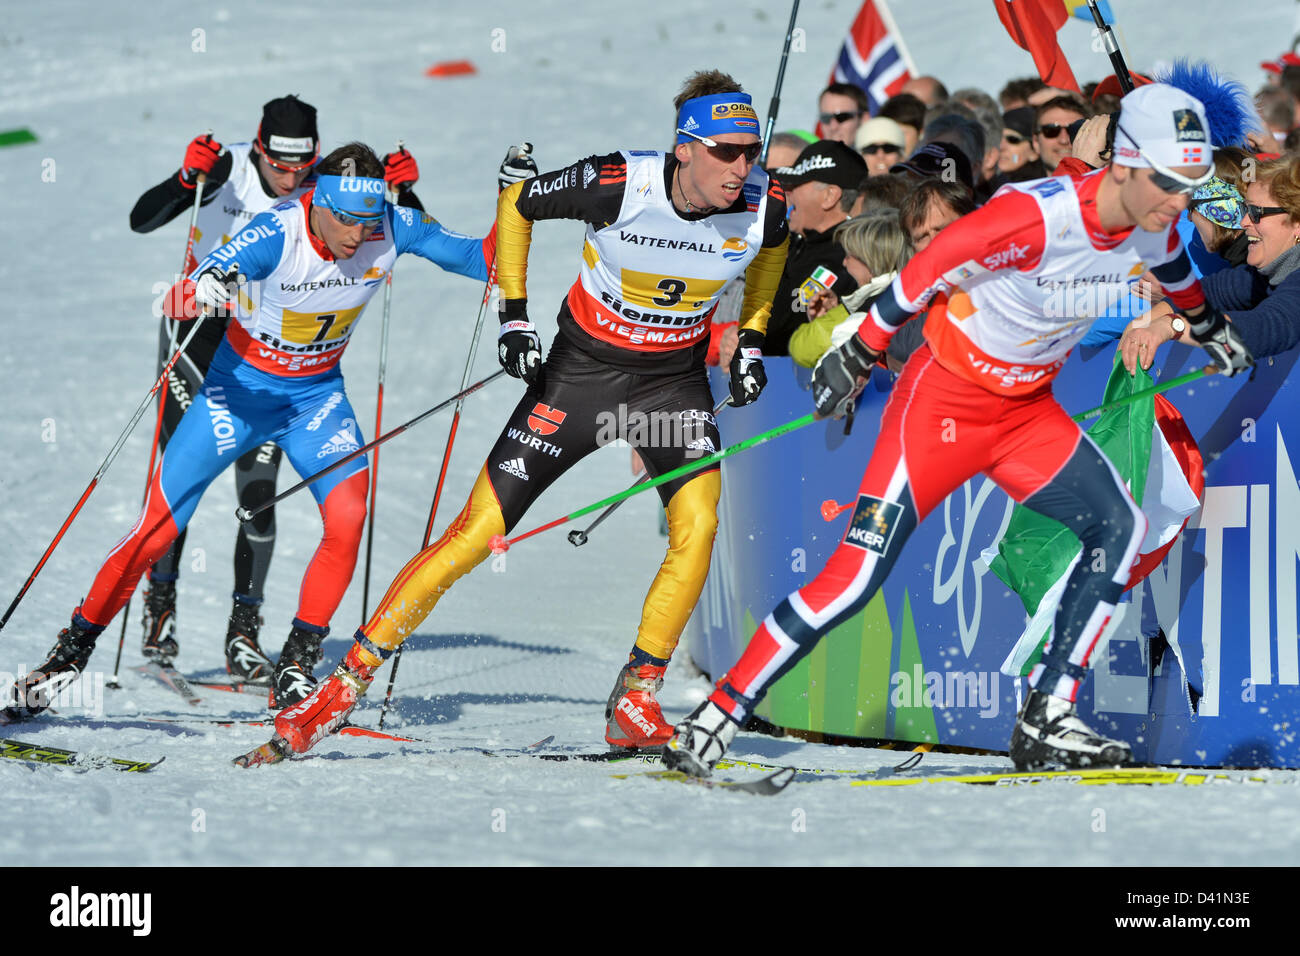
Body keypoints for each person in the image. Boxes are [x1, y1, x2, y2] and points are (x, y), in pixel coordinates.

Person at [664, 83, 1256, 777]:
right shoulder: (1035, 214)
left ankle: (1046, 717)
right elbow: (925, 269)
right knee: (855, 579)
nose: (1178, 202)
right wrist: (856, 351)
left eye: (1190, 186)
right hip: (941, 407)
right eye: (1167, 182)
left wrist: (1211, 327)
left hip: (1024, 413)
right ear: (1122, 165)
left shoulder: (1152, 219)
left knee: (1119, 527)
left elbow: (1177, 272)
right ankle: (714, 717)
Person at [263, 70, 790, 761]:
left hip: (671, 386)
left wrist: (751, 338)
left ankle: (636, 696)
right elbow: (519, 205)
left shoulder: (763, 203)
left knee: (700, 526)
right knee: (477, 533)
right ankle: (343, 687)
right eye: (725, 151)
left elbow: (770, 256)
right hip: (580, 378)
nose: (741, 167)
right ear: (684, 147)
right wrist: (514, 315)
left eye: (750, 151)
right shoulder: (616, 182)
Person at [3, 142, 497, 720]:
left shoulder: (393, 224)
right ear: (317, 202)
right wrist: (204, 288)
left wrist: (514, 204)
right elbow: (214, 271)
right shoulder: (277, 231)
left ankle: (296, 663)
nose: (359, 237)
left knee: (349, 517)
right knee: (156, 531)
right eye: (347, 221)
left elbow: (485, 261)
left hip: (315, 402)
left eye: (370, 223)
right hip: (235, 397)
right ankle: (67, 657)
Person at [127, 95, 427, 681]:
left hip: (272, 356)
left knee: (257, 493)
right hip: (201, 341)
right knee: (176, 490)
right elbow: (141, 220)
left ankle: (244, 632)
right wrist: (183, 178)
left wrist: (403, 194)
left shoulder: (330, 192)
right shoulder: (226, 171)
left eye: (301, 168)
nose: (291, 179)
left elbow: (398, 238)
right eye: (279, 167)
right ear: (259, 148)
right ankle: (160, 609)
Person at [1120, 152, 1300, 373]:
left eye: (1255, 212)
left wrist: (1172, 326)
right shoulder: (1261, 276)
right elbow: (1212, 291)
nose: (1244, 222)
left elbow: (1267, 328)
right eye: (1245, 210)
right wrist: (1140, 324)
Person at [763, 140, 865, 356]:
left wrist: (771, 245)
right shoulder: (799, 241)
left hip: (802, 381)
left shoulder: (850, 256)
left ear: (829, 196)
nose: (785, 193)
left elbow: (776, 325)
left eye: (793, 185)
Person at [787, 209, 913, 367]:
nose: (844, 263)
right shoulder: (915, 294)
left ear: (870, 261)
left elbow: (806, 353)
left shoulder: (870, 314)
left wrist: (840, 314)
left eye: (848, 255)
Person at [1034, 95, 1091, 172]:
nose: (1064, 140)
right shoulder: (1015, 183)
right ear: (1036, 142)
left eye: (1075, 130)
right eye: (1051, 130)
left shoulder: (1111, 182)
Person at [817, 83, 870, 147]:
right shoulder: (808, 154)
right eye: (826, 118)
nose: (833, 127)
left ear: (864, 118)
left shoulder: (880, 155)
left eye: (842, 117)